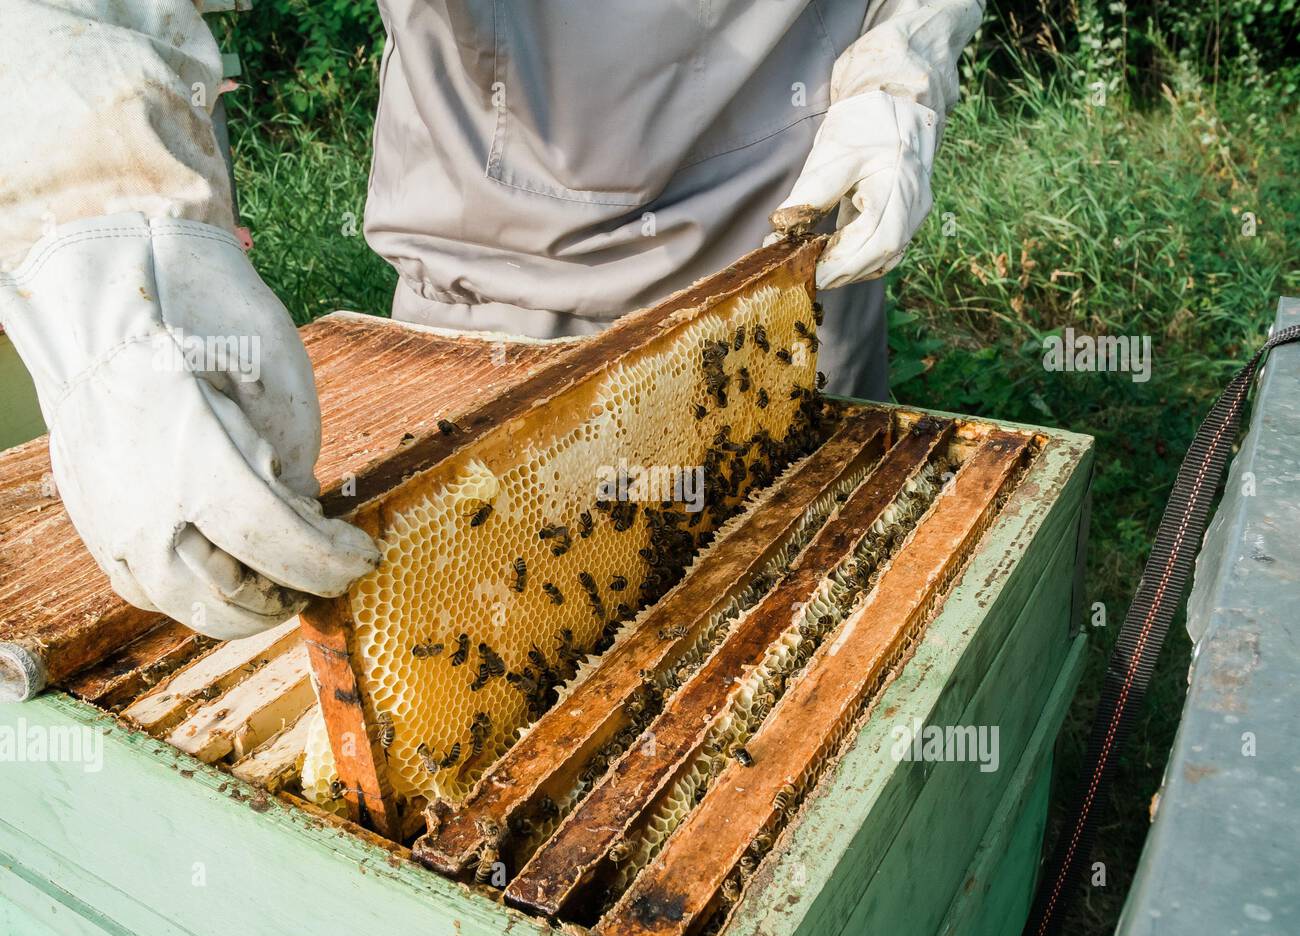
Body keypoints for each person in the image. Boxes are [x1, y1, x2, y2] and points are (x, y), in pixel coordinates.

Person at [0, 1, 983, 639]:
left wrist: (904, 58)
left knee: (801, 644)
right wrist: (90, 222)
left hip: (776, 282)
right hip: (478, 303)